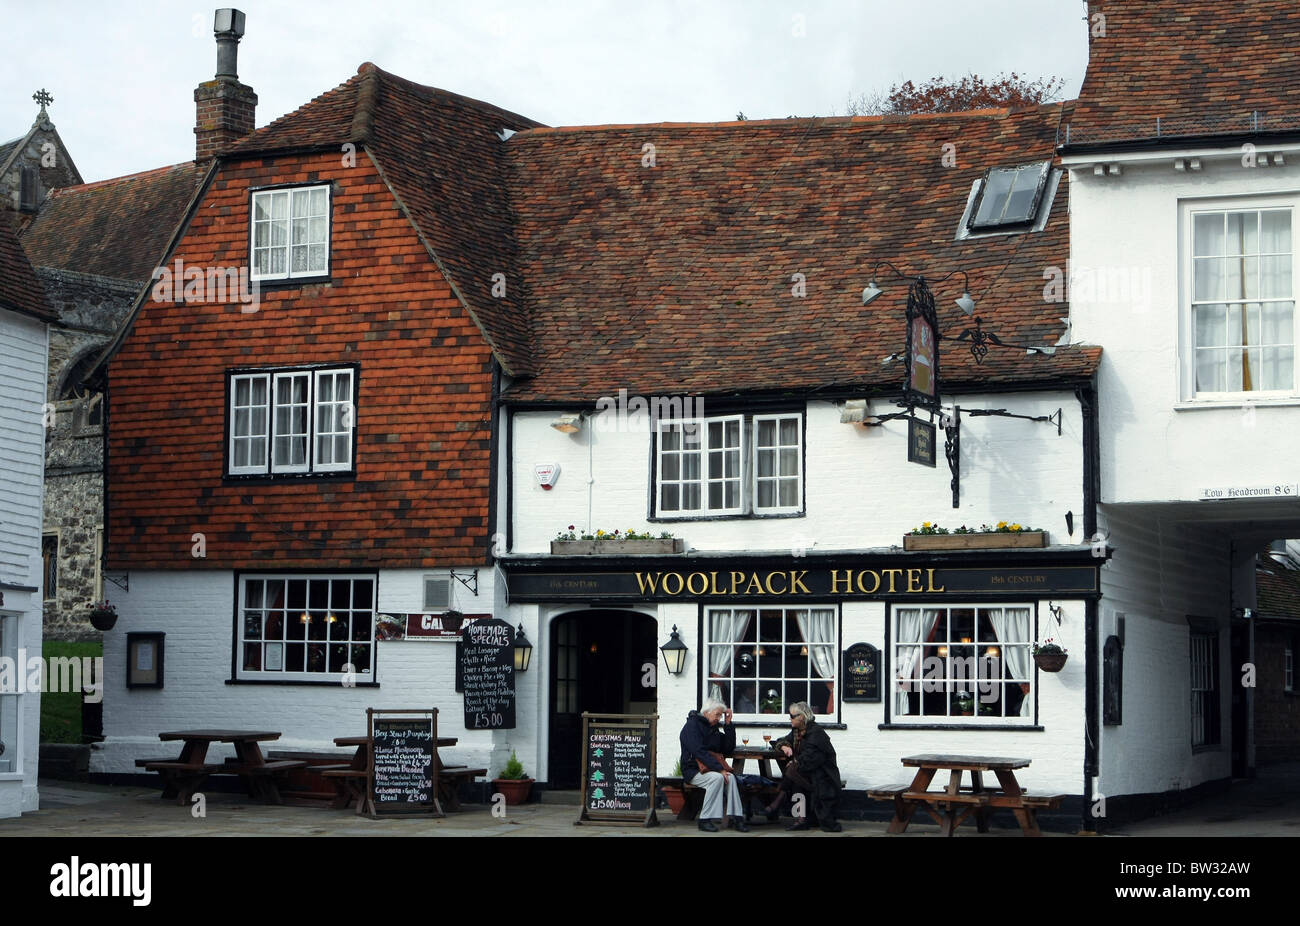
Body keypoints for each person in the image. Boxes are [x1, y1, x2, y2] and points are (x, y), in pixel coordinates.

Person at [764, 701, 842, 832]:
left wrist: (795, 763)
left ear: (801, 717)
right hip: (807, 772)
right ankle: (799, 819)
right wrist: (784, 746)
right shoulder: (797, 731)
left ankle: (777, 804)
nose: (790, 718)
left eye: (792, 716)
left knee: (793, 771)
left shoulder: (816, 733)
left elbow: (810, 759)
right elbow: (778, 741)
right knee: (794, 776)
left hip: (823, 775)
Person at [679, 698, 749, 832]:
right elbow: (699, 752)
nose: (719, 718)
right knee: (717, 778)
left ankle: (737, 818)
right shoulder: (692, 726)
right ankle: (705, 820)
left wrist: (728, 724)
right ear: (706, 712)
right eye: (717, 714)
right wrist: (720, 769)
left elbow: (728, 748)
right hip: (692, 769)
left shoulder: (713, 729)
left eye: (721, 715)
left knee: (731, 778)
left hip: (710, 768)